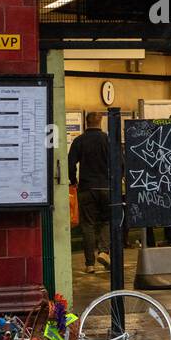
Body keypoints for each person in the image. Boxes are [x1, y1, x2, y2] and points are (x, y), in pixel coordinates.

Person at [68, 111, 111, 273]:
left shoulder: (79, 141)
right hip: (106, 187)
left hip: (86, 188)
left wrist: (73, 180)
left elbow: (70, 163)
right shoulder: (108, 140)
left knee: (88, 224)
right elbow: (120, 162)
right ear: (100, 123)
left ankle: (89, 264)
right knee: (107, 221)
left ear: (86, 123)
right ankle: (103, 251)